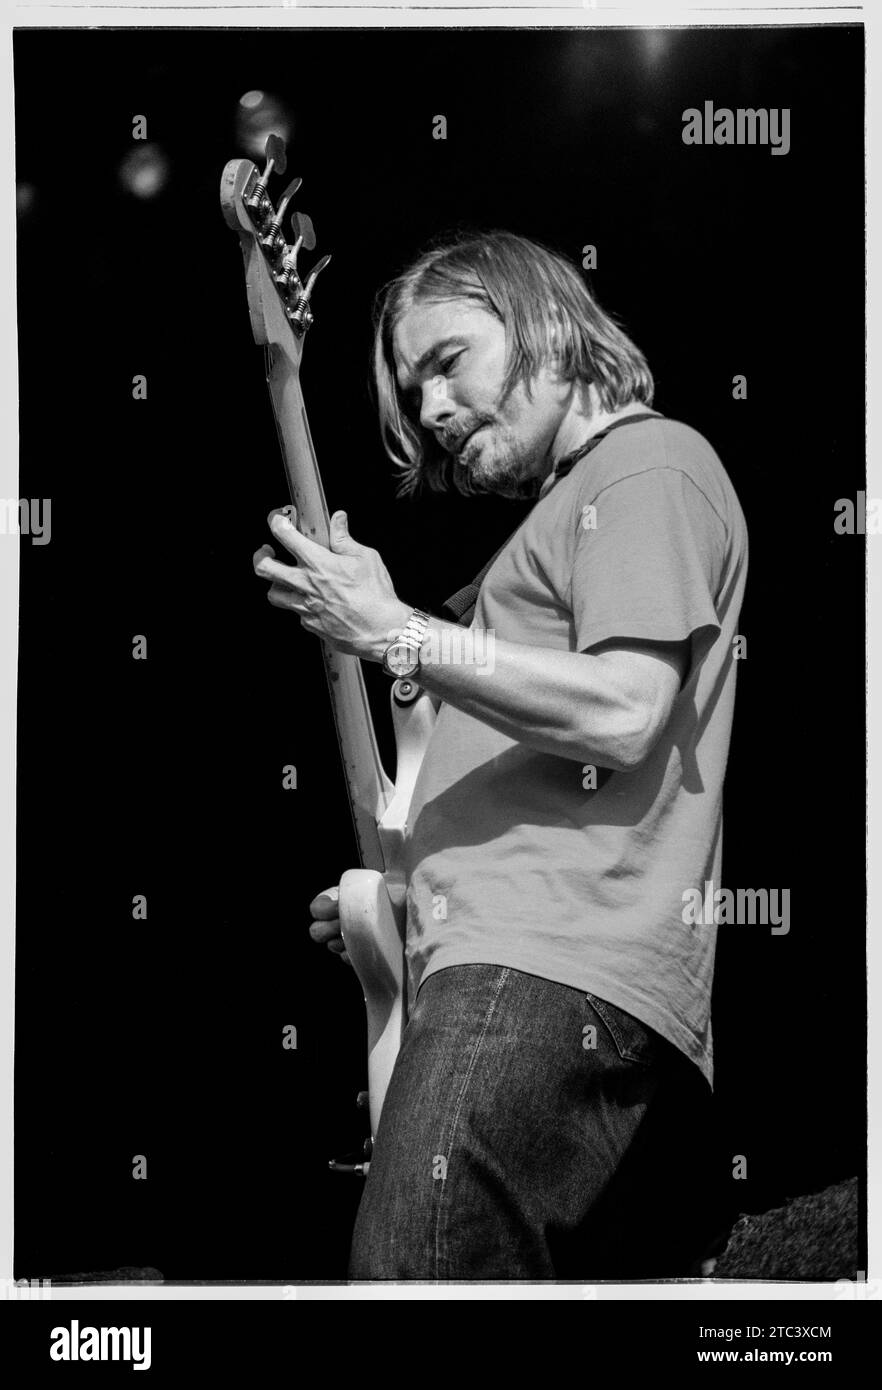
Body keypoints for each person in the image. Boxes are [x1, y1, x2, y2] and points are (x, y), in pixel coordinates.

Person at [253, 231, 748, 1280]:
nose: (429, 411)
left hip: (542, 968)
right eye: (409, 385)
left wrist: (396, 632)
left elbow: (623, 712)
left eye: (447, 362)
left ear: (547, 325)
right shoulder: (538, 541)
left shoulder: (647, 464)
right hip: (502, 970)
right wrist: (398, 906)